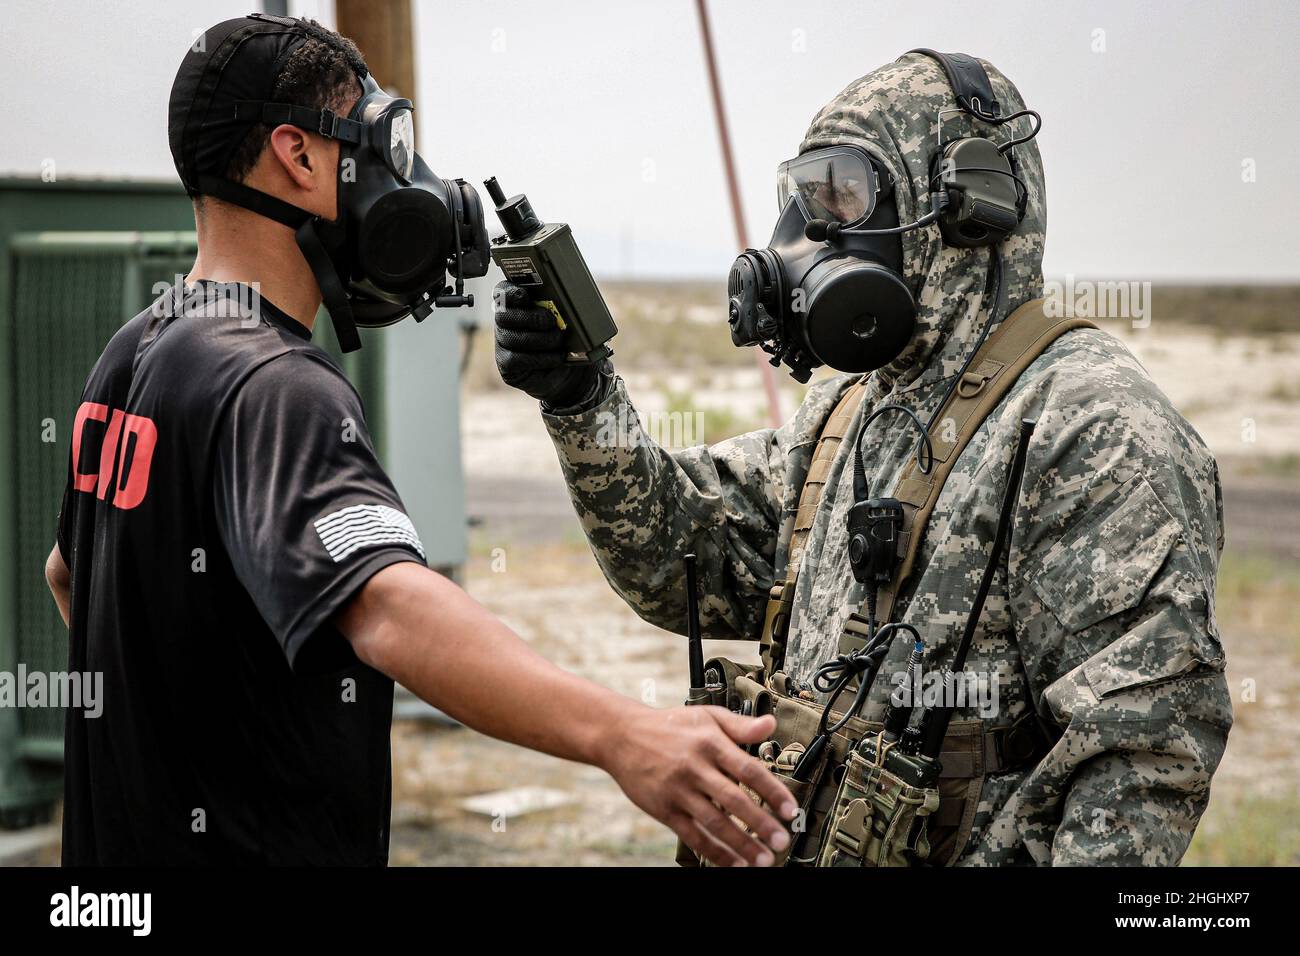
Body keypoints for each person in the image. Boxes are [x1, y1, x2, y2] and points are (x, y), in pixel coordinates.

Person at [44, 14, 794, 867]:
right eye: (381, 146)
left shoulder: (138, 346)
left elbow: (71, 575)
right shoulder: (277, 385)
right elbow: (390, 608)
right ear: (298, 155)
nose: (406, 181)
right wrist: (626, 734)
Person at [494, 50, 1232, 866]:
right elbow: (681, 559)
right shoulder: (851, 409)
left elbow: (1140, 755)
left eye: (841, 196)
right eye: (802, 200)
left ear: (965, 210)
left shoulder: (1092, 428)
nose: (804, 238)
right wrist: (581, 399)